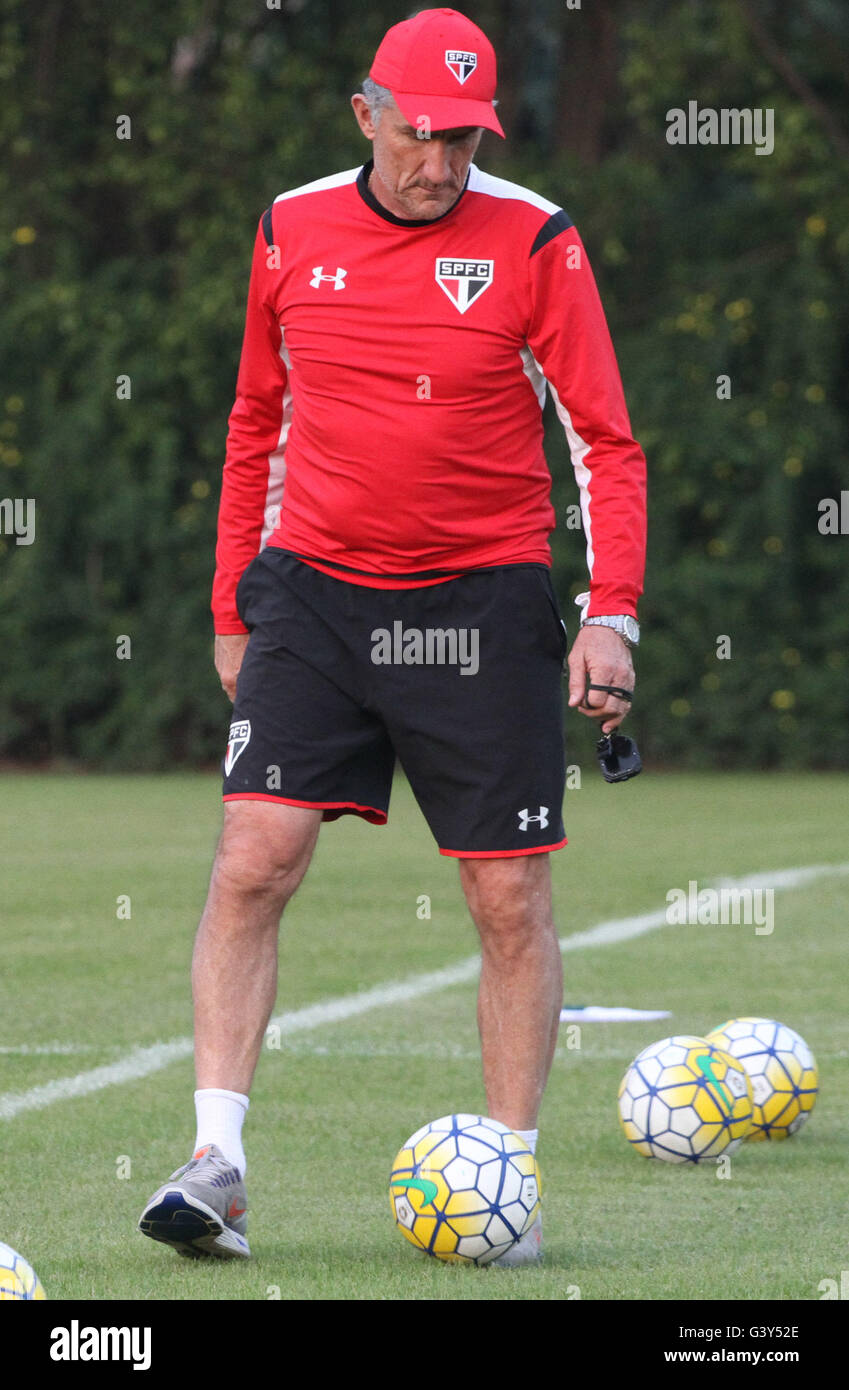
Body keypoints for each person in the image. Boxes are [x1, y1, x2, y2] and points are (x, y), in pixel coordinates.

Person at [139, 6, 646, 1267]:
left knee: (507, 894)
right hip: (313, 587)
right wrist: (228, 608)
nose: (443, 161)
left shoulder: (535, 238)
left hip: (483, 597)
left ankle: (509, 1182)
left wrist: (611, 616)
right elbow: (255, 420)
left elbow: (605, 443)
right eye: (422, 133)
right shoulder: (289, 226)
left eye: (466, 137)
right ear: (366, 114)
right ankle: (218, 1165)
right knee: (255, 853)